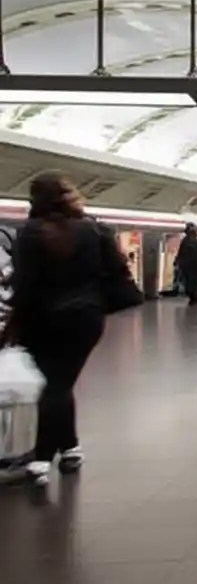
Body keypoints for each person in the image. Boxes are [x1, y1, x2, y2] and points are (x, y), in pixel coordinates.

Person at [0, 173, 129, 486]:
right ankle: (70, 448)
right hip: (86, 320)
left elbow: (25, 284)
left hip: (42, 322)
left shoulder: (29, 234)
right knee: (61, 383)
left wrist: (12, 321)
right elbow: (118, 272)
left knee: (55, 385)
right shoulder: (96, 231)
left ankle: (41, 458)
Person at [175, 222, 197, 305]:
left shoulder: (185, 242)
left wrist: (179, 263)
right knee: (195, 282)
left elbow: (181, 254)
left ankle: (193, 295)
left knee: (189, 282)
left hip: (188, 268)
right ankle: (196, 295)